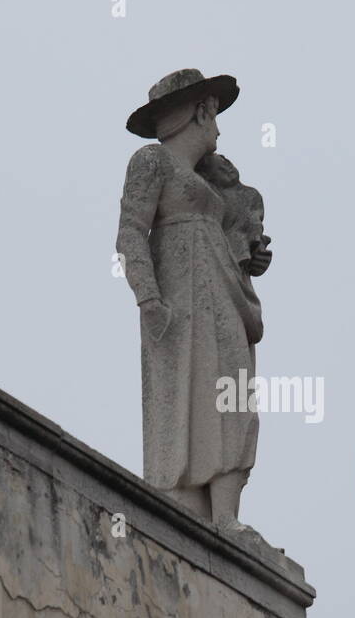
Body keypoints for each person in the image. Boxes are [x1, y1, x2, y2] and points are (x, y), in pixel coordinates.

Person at [116, 69, 272, 526]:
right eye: (215, 116)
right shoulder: (152, 161)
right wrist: (148, 299)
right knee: (188, 392)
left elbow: (226, 235)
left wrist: (248, 257)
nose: (219, 129)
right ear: (200, 113)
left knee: (233, 395)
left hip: (223, 297)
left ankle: (225, 517)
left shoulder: (209, 182)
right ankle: (188, 507)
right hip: (180, 301)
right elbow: (129, 233)